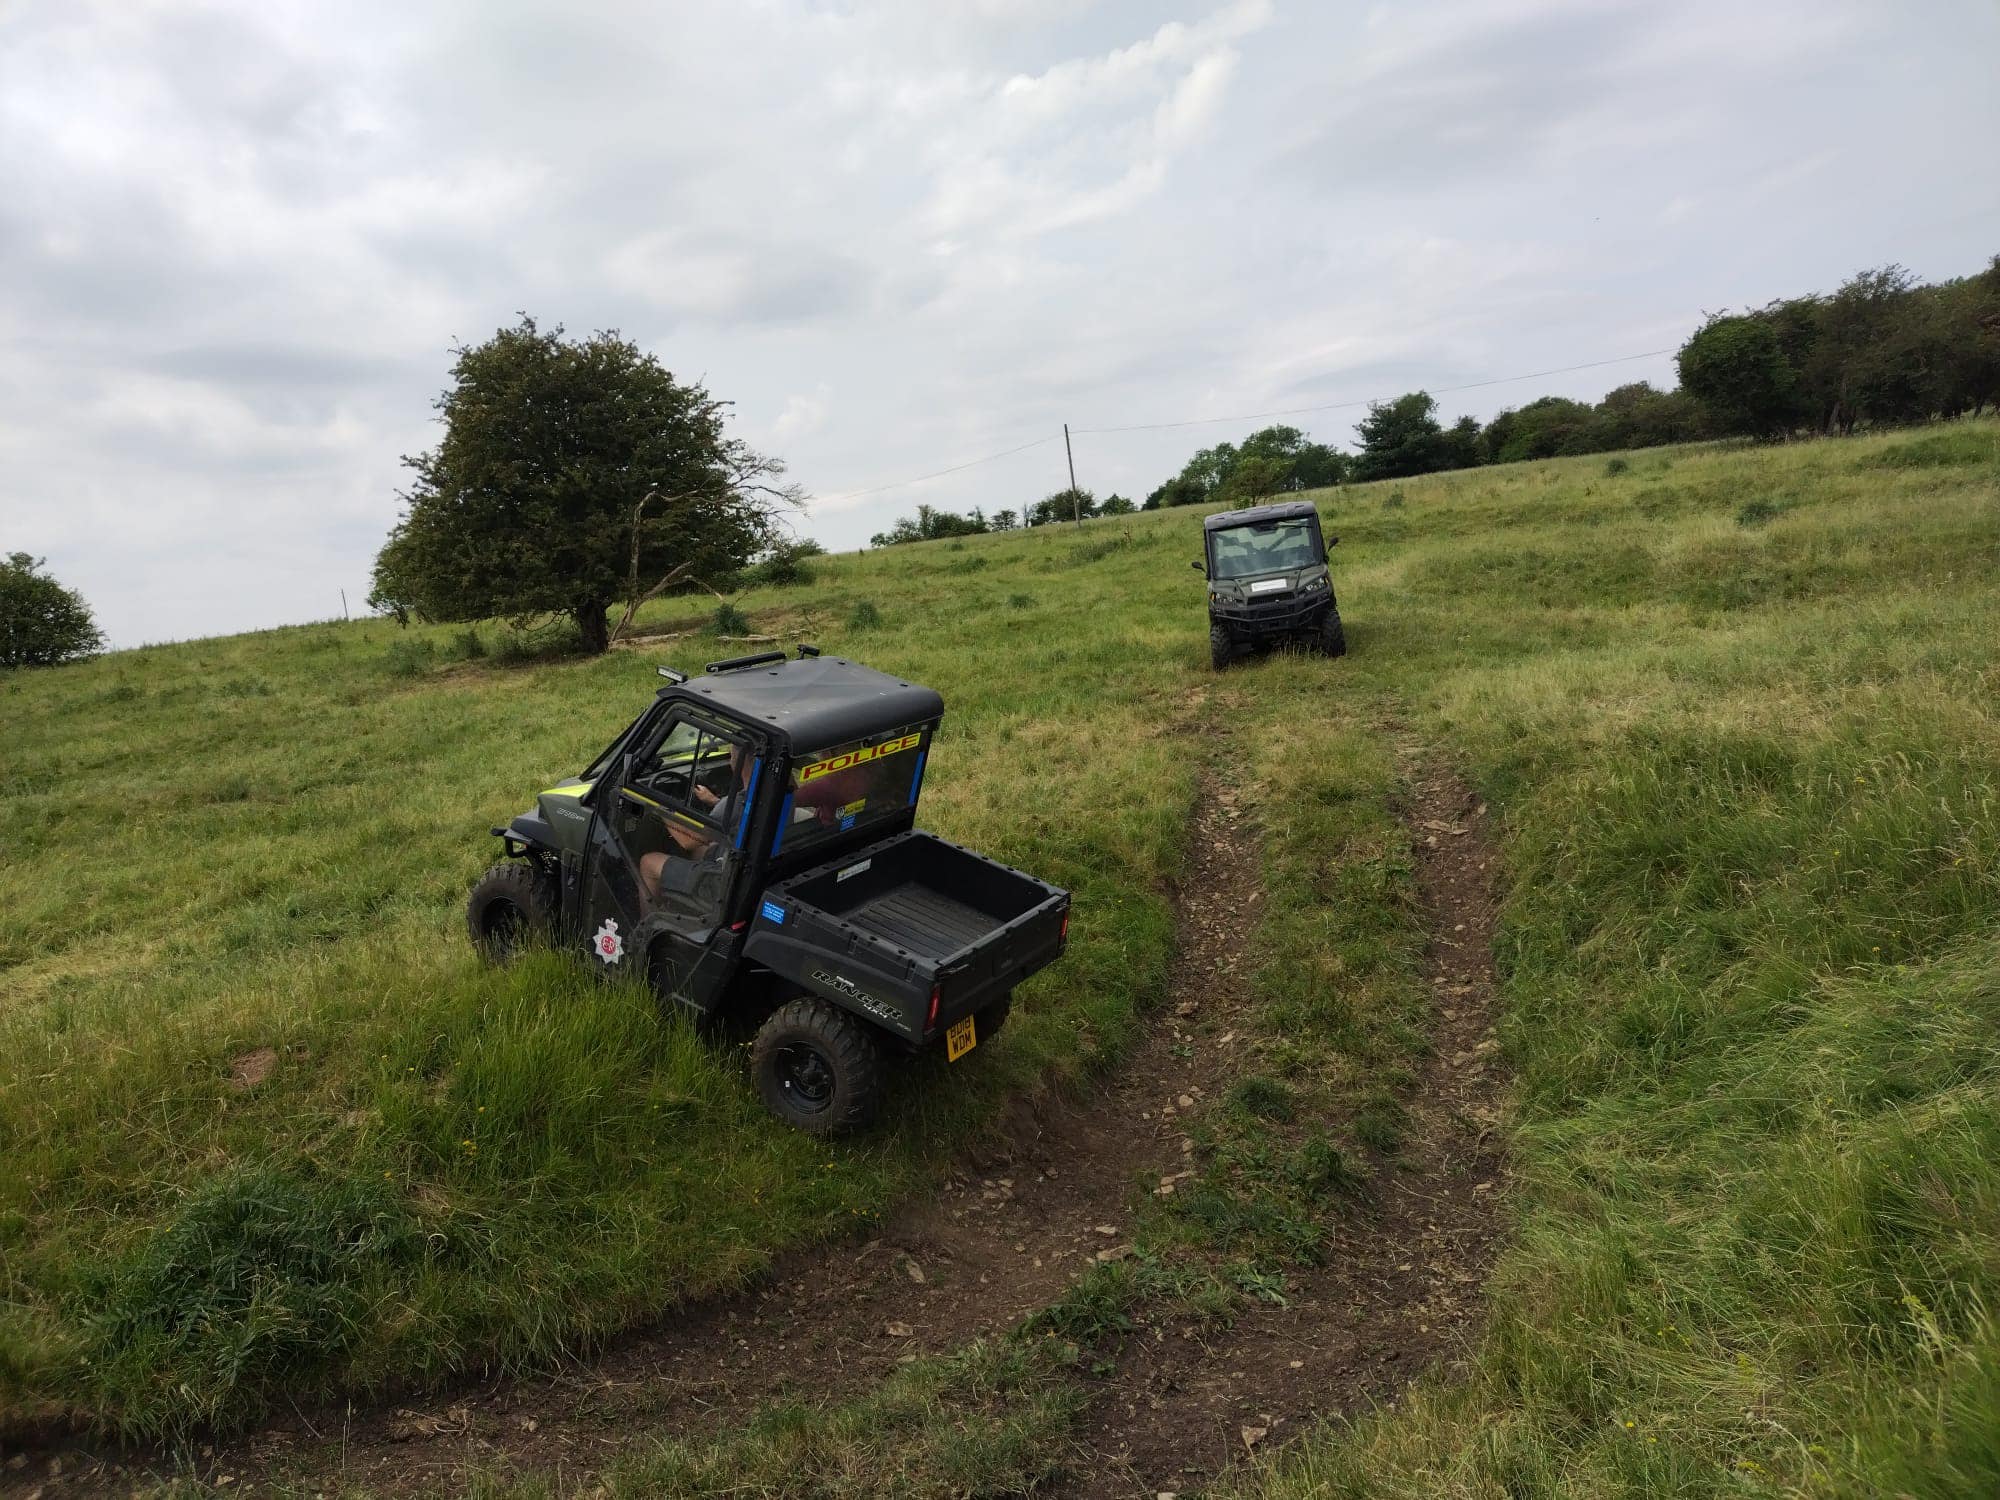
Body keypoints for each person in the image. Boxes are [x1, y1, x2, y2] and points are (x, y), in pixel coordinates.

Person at [639, 742, 749, 904]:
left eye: (731, 754)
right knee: (701, 851)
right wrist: (714, 801)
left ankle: (648, 919)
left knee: (648, 862)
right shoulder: (768, 794)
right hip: (744, 867)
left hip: (726, 880)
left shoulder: (736, 801)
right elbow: (734, 814)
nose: (730, 758)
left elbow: (689, 841)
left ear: (740, 762)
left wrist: (660, 808)